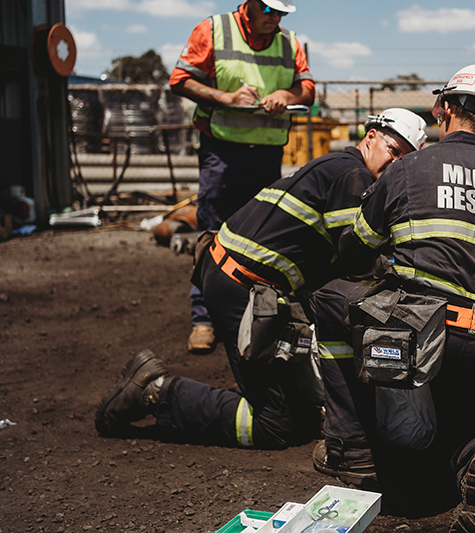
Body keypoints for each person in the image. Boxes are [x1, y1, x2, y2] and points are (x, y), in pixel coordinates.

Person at [310, 64, 475, 533]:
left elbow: (352, 254)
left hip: (418, 341)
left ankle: (354, 451)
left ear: (445, 108)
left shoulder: (408, 169)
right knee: (468, 414)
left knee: (329, 299)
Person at [94, 109, 428, 452]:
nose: (396, 162)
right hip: (241, 286)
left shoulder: (335, 167)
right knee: (276, 426)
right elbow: (353, 260)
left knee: (299, 412)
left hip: (230, 274)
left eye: (405, 159)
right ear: (370, 136)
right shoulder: (352, 175)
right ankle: (155, 391)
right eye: (394, 150)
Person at [169, 0, 315, 353]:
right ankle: (203, 318)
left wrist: (286, 94)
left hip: (266, 154)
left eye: (281, 13)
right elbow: (180, 80)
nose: (275, 19)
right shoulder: (214, 30)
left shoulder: (288, 41)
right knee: (213, 230)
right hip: (222, 151)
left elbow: (308, 91)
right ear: (248, 5)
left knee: (264, 234)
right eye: (268, 11)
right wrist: (226, 98)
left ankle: (257, 313)